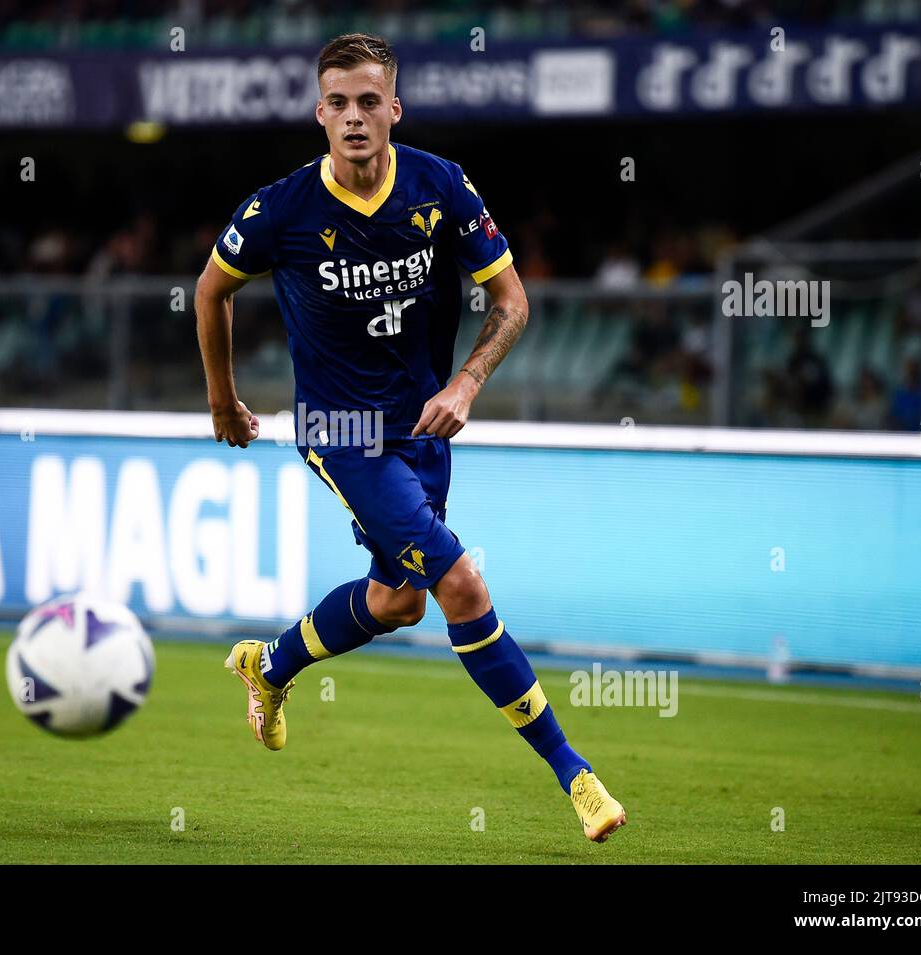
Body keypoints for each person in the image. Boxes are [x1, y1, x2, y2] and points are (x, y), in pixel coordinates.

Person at [193, 33, 626, 843]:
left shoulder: (441, 188)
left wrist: (465, 382)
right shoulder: (281, 209)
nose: (354, 117)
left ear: (395, 108)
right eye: (338, 103)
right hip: (341, 431)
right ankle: (577, 775)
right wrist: (224, 401)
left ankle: (270, 664)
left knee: (397, 600)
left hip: (422, 427)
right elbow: (211, 290)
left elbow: (512, 300)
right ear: (318, 113)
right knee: (461, 582)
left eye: (369, 101)